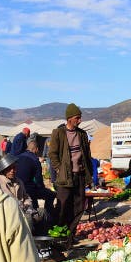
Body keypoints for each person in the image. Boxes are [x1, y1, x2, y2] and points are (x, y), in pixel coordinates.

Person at [49, 103, 92, 245]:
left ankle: (70, 234)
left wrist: (89, 176)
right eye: (77, 118)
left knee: (79, 207)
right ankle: (58, 235)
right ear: (69, 119)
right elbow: (52, 154)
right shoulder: (59, 133)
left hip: (79, 176)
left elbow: (87, 155)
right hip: (65, 177)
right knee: (63, 206)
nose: (79, 121)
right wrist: (59, 169)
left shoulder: (82, 134)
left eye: (80, 118)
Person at [15, 138, 56, 217]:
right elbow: (39, 181)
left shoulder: (18, 157)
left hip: (16, 186)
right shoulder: (35, 160)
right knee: (51, 194)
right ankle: (48, 216)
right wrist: (43, 189)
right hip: (28, 189)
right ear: (36, 149)